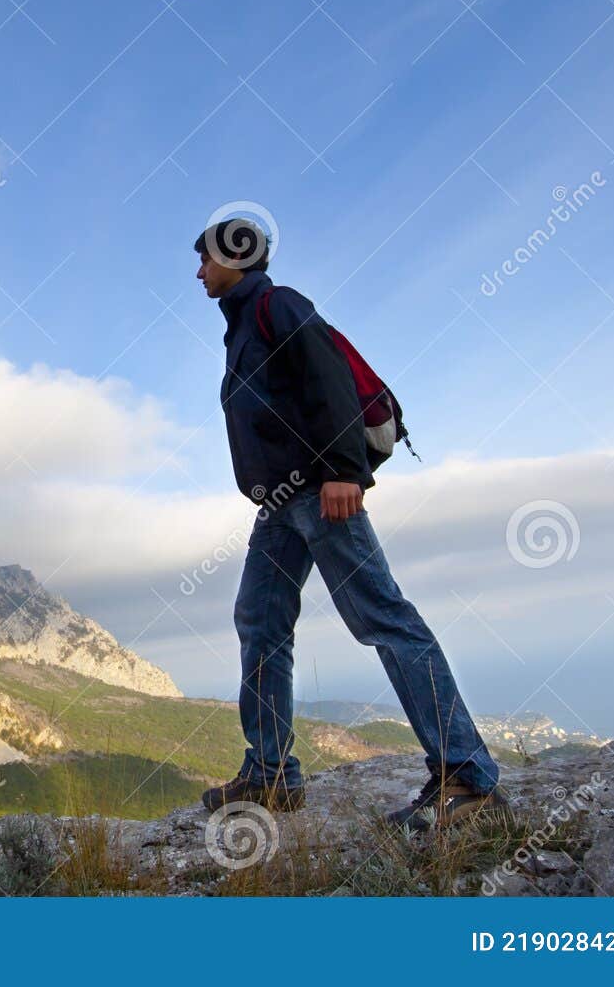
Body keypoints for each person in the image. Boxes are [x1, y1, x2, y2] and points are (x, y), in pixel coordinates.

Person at [195, 217, 505, 831]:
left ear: (239, 256)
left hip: (322, 490)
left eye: (203, 257)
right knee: (259, 622)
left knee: (383, 619)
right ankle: (271, 774)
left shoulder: (278, 305)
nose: (198, 269)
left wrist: (344, 470)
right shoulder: (242, 328)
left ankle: (468, 777)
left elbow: (328, 377)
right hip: (281, 505)